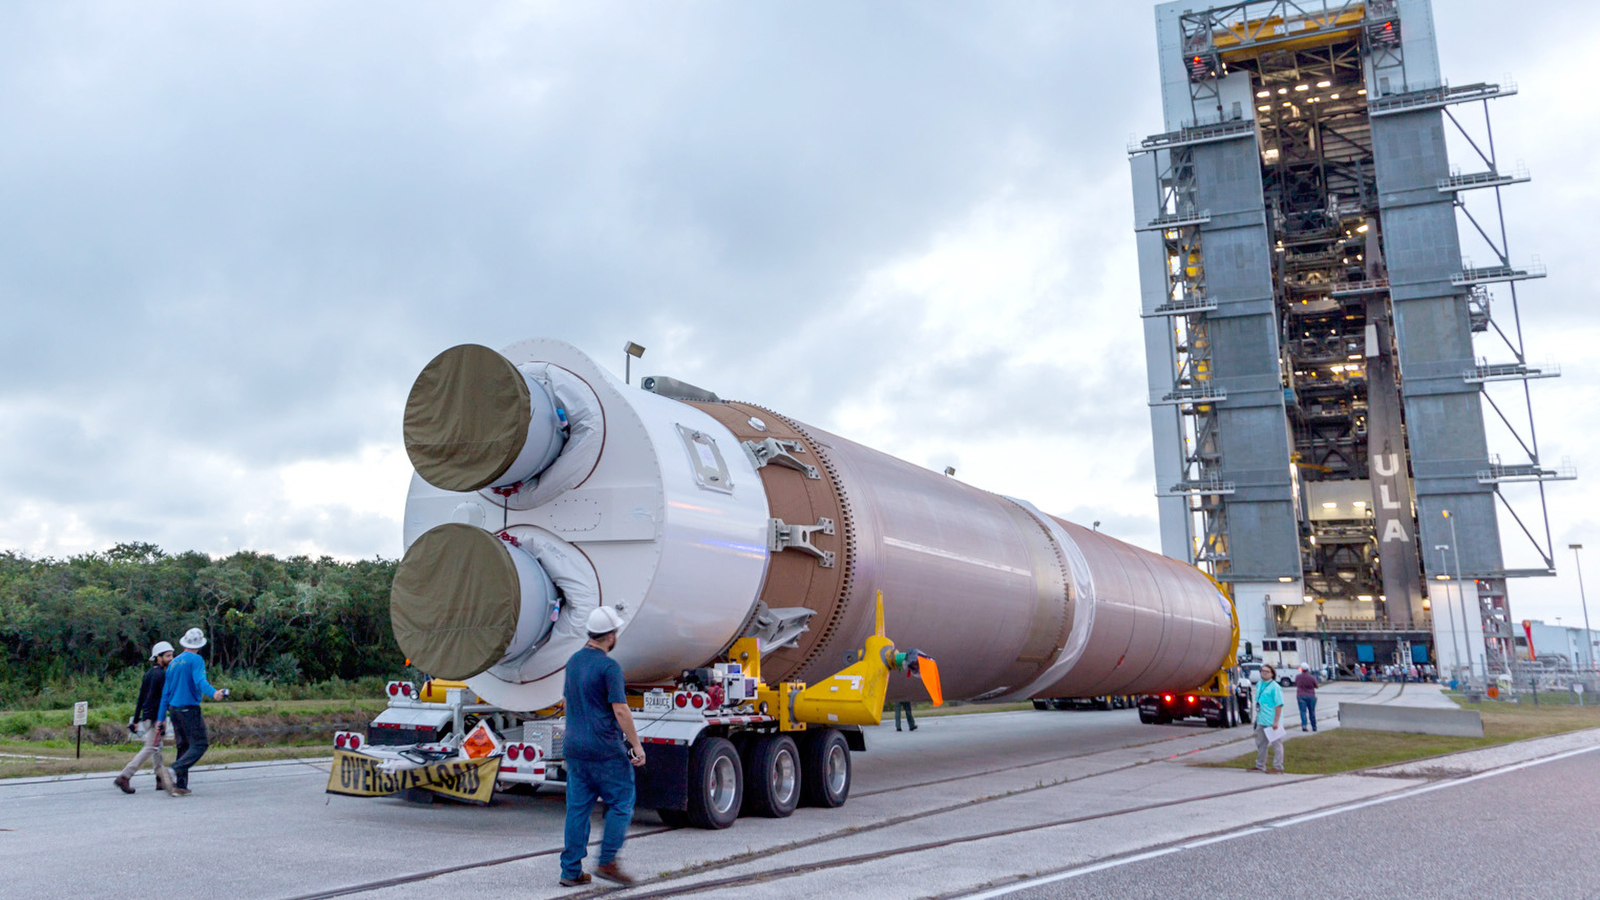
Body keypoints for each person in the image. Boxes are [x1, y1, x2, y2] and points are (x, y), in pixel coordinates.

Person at [559, 607, 646, 888]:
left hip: (574, 747)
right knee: (621, 802)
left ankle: (570, 871)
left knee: (577, 810)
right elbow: (620, 710)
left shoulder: (573, 662)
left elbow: (566, 703)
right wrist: (636, 746)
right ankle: (607, 861)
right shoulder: (610, 667)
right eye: (616, 633)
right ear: (609, 636)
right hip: (605, 749)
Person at [156, 627, 226, 796]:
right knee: (200, 744)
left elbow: (166, 692)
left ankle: (179, 786)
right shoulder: (196, 660)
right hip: (189, 708)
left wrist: (161, 718)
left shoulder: (173, 663)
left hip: (174, 710)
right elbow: (200, 681)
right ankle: (172, 770)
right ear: (199, 645)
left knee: (183, 746)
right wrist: (214, 693)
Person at [114, 641, 176, 795]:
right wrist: (166, 718)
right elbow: (164, 699)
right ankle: (125, 776)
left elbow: (141, 697)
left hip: (147, 717)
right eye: (168, 656)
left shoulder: (148, 674)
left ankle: (160, 780)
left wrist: (135, 720)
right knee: (150, 747)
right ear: (158, 657)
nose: (171, 658)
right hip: (156, 717)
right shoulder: (162, 675)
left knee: (157, 748)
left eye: (172, 655)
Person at [1253, 663, 1285, 773]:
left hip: (1271, 721)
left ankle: (1278, 766)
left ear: (1272, 674)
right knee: (1261, 743)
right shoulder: (1259, 684)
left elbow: (1279, 704)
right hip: (1261, 719)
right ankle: (1260, 765)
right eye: (1262, 671)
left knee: (1276, 744)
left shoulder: (1275, 687)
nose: (1264, 673)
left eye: (1267, 671)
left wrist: (1276, 721)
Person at [1293, 663, 1319, 732]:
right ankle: (1314, 726)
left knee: (1302, 711)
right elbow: (1316, 686)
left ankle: (1304, 725)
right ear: (1308, 669)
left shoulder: (1297, 677)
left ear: (1301, 669)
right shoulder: (1312, 677)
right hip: (1311, 696)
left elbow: (1296, 684)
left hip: (1301, 695)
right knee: (1312, 712)